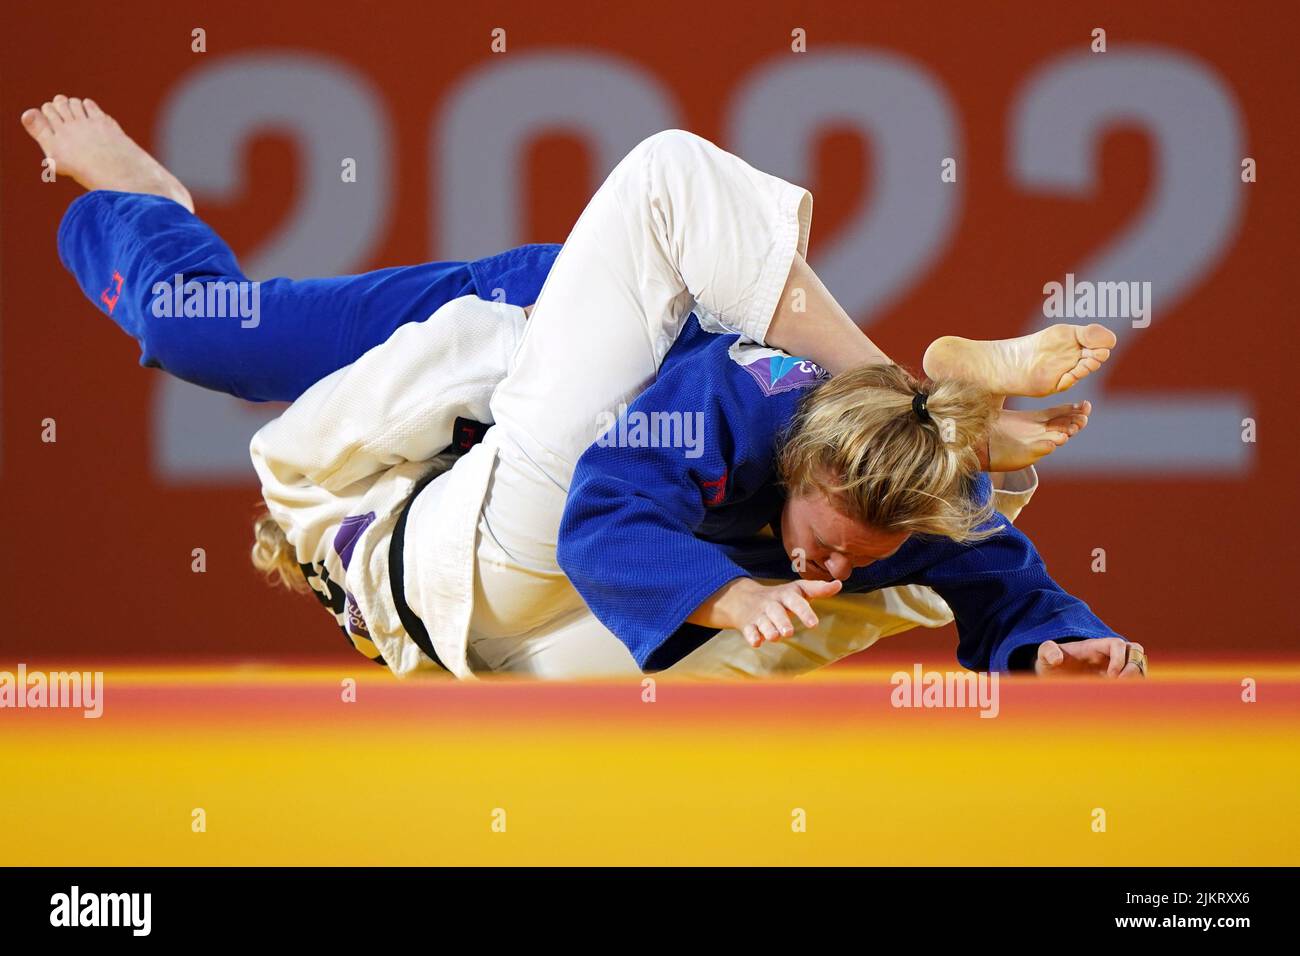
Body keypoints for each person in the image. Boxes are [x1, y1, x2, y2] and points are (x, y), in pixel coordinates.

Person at [25, 95, 1142, 680]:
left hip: (487, 555)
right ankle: (148, 197)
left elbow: (995, 570)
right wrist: (728, 593)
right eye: (831, 532)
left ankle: (932, 410)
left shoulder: (880, 502)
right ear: (813, 460)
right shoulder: (739, 401)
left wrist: (1051, 638)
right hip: (527, 335)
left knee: (937, 544)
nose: (830, 563)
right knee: (193, 326)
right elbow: (606, 503)